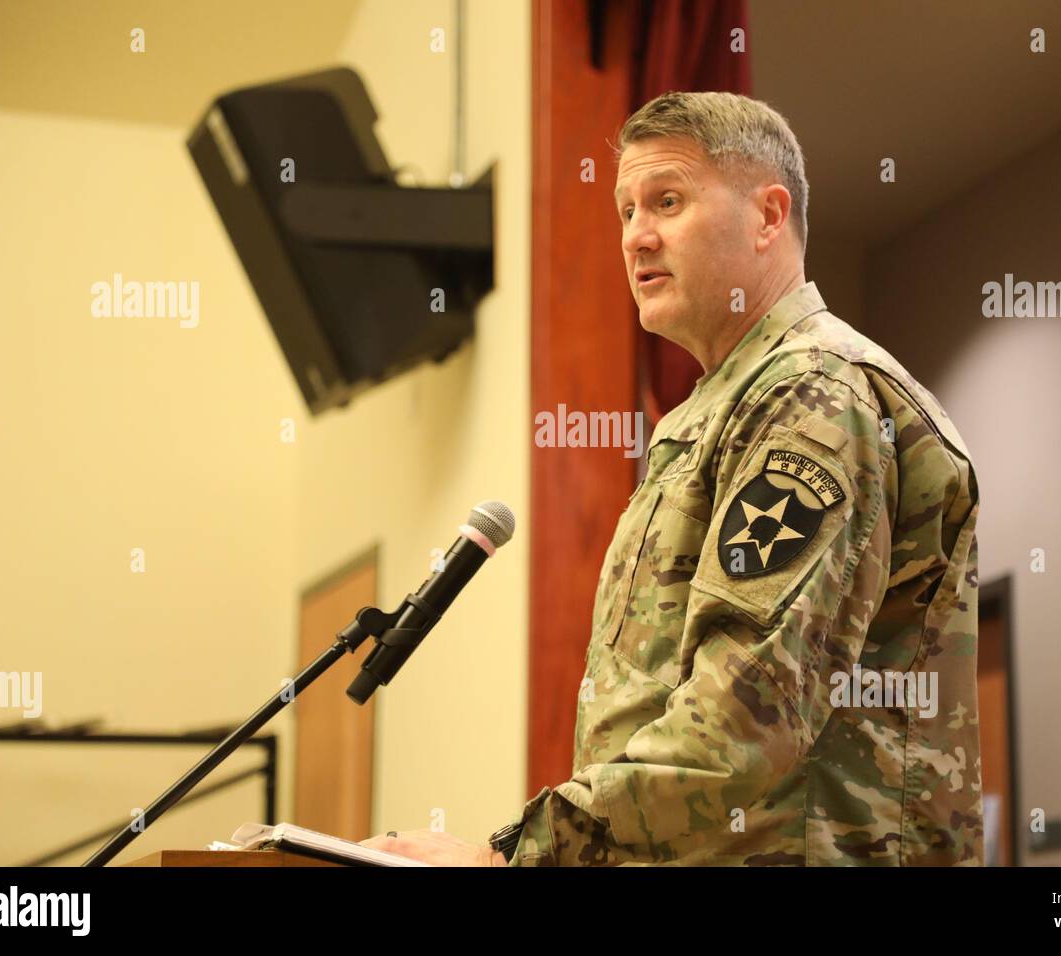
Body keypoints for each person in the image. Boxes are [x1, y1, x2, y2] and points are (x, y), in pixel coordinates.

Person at [363, 91, 982, 866]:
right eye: (625, 210)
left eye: (667, 201)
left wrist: (515, 857)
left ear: (767, 216)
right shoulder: (715, 408)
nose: (636, 237)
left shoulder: (812, 396)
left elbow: (748, 715)